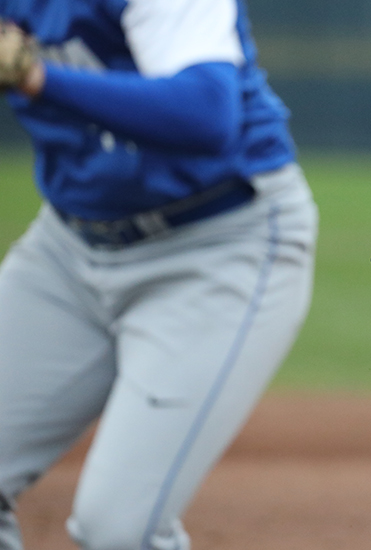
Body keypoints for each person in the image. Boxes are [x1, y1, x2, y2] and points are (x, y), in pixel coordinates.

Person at [0, 1, 317, 549]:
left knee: (120, 530)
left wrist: (35, 76)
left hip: (218, 244)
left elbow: (204, 111)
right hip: (67, 248)